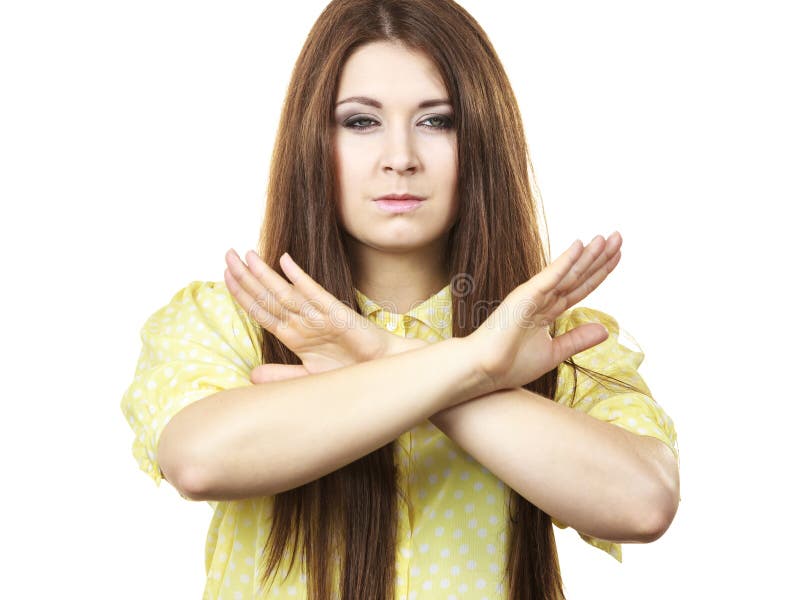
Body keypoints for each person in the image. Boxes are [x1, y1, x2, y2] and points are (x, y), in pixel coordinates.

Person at [120, 1, 680, 598]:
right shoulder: (226, 317)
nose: (400, 158)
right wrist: (477, 367)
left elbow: (642, 504)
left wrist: (381, 354)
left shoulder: (545, 332)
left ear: (483, 140)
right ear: (314, 138)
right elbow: (200, 462)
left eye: (437, 121)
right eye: (361, 122)